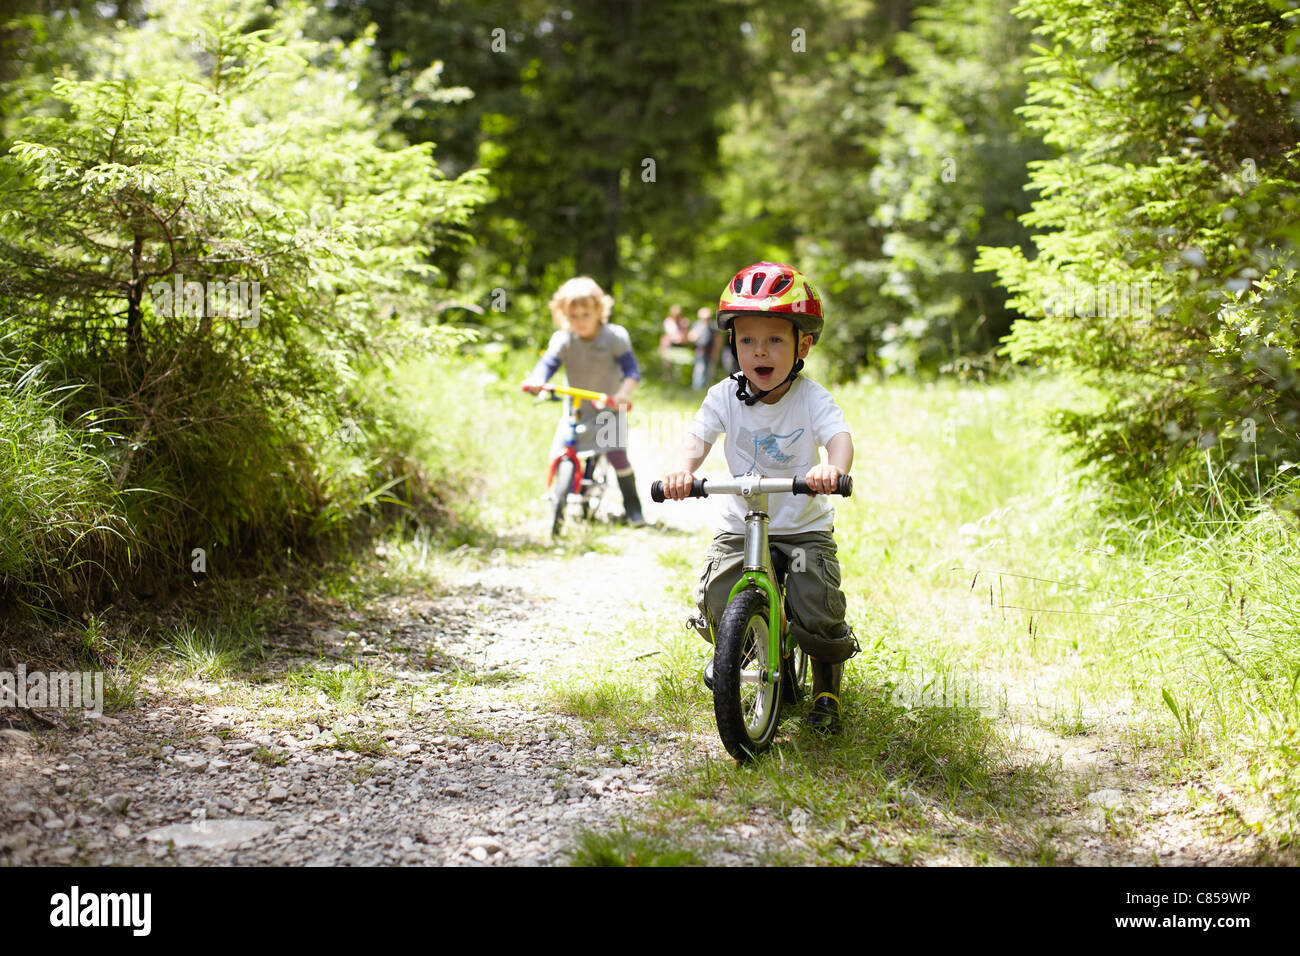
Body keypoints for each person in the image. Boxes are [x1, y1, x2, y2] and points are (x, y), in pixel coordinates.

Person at [659, 262, 858, 730]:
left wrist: (834, 468)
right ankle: (738, 650)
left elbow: (839, 437)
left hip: (802, 525)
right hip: (742, 523)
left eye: (774, 340)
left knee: (817, 606)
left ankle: (827, 687)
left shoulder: (811, 398)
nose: (759, 352)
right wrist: (680, 472)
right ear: (733, 344)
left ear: (802, 346)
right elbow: (696, 439)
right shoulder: (723, 396)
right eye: (747, 340)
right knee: (718, 596)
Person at [522, 276, 645, 526]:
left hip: (607, 408)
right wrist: (537, 380)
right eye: (573, 315)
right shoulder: (564, 339)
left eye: (586, 314)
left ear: (599, 310)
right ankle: (559, 498)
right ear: (564, 314)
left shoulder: (614, 337)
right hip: (576, 409)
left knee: (617, 456)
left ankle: (633, 508)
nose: (580, 321)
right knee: (560, 450)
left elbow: (632, 371)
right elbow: (547, 365)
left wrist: (623, 394)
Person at [688, 306, 721, 391]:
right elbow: (690, 337)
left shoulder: (713, 326)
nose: (706, 319)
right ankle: (697, 388)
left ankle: (706, 388)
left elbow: (718, 340)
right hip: (700, 351)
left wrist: (716, 351)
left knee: (709, 370)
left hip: (710, 351)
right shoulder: (697, 325)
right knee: (699, 369)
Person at [657, 304, 690, 381]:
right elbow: (672, 334)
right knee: (667, 364)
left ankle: (678, 380)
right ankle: (667, 380)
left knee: (679, 365)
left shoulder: (684, 322)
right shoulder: (669, 321)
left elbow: (685, 336)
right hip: (669, 345)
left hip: (680, 346)